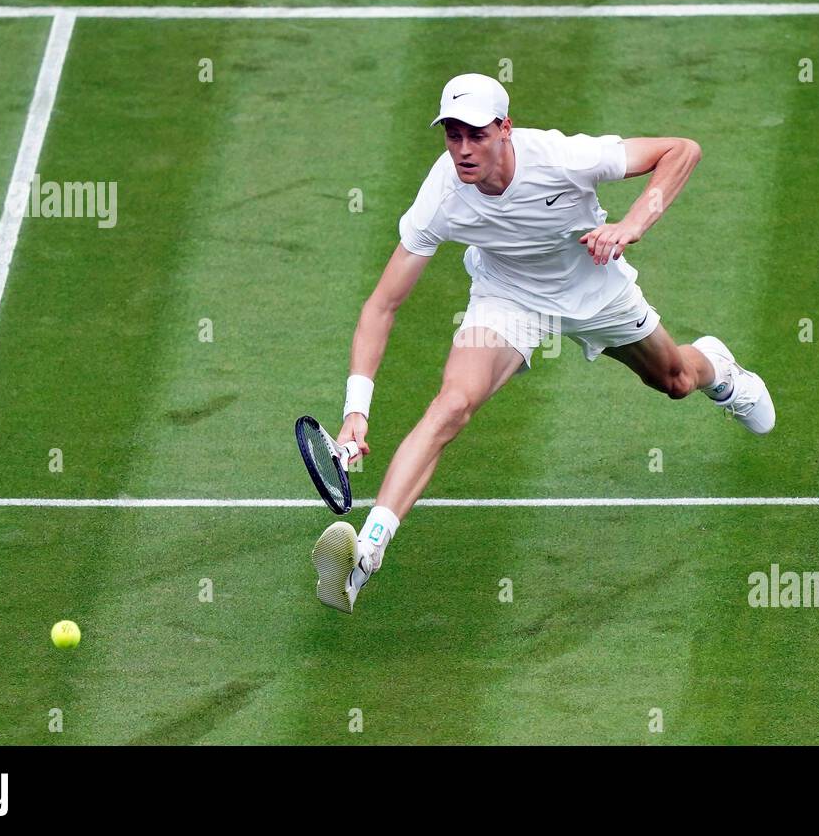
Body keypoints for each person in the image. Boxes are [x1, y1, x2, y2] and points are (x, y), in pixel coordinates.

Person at [312, 73, 774, 613]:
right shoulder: (441, 195)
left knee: (673, 380)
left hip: (596, 286)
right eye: (452, 134)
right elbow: (382, 305)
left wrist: (630, 223)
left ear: (505, 129)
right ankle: (366, 554)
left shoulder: (561, 157)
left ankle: (719, 370)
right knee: (452, 405)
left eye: (477, 134)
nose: (463, 149)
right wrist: (356, 410)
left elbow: (682, 151)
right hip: (508, 300)